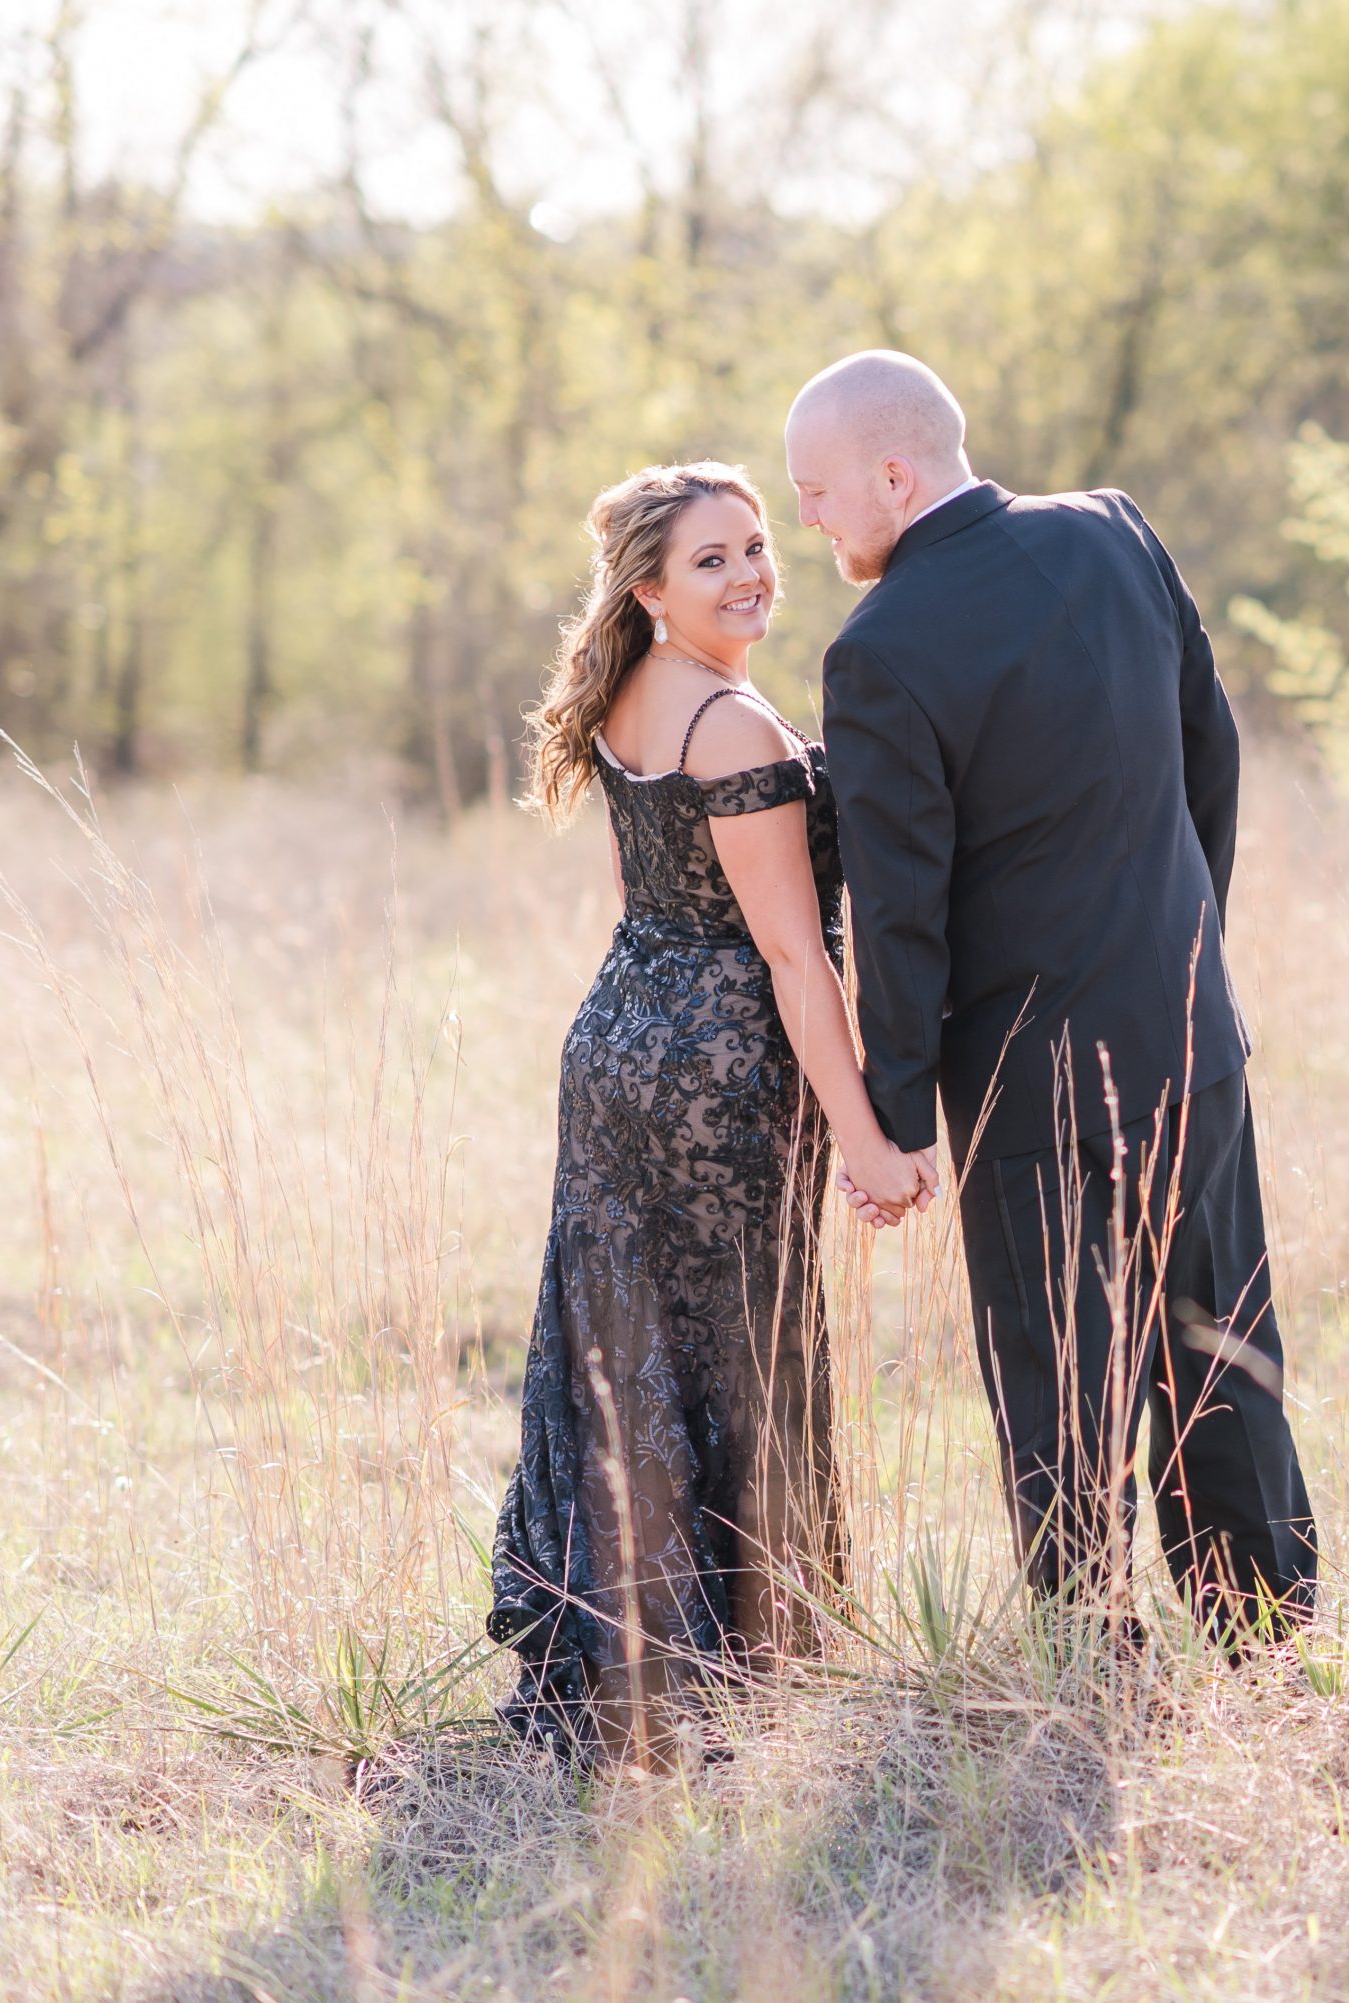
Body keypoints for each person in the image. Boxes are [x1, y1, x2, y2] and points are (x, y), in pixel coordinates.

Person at [790, 351, 1316, 1648]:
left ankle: (1092, 1649)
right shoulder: (1115, 532)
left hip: (1027, 1079)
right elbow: (1215, 751)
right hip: (1190, 1031)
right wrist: (1190, 947)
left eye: (817, 491)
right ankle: (1266, 1628)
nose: (809, 520)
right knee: (1220, 1337)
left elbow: (900, 917)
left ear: (894, 476)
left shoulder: (878, 651)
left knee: (1059, 1371)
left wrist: (896, 1120)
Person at [486, 462, 931, 1765]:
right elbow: (797, 956)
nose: (749, 575)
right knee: (739, 1346)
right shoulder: (732, 729)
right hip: (717, 1070)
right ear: (649, 588)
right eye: (711, 561)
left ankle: (633, 1656)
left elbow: (646, 900)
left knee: (632, 1344)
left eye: (753, 547)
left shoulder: (627, 695)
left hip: (616, 1043)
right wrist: (863, 1132)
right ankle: (723, 1671)